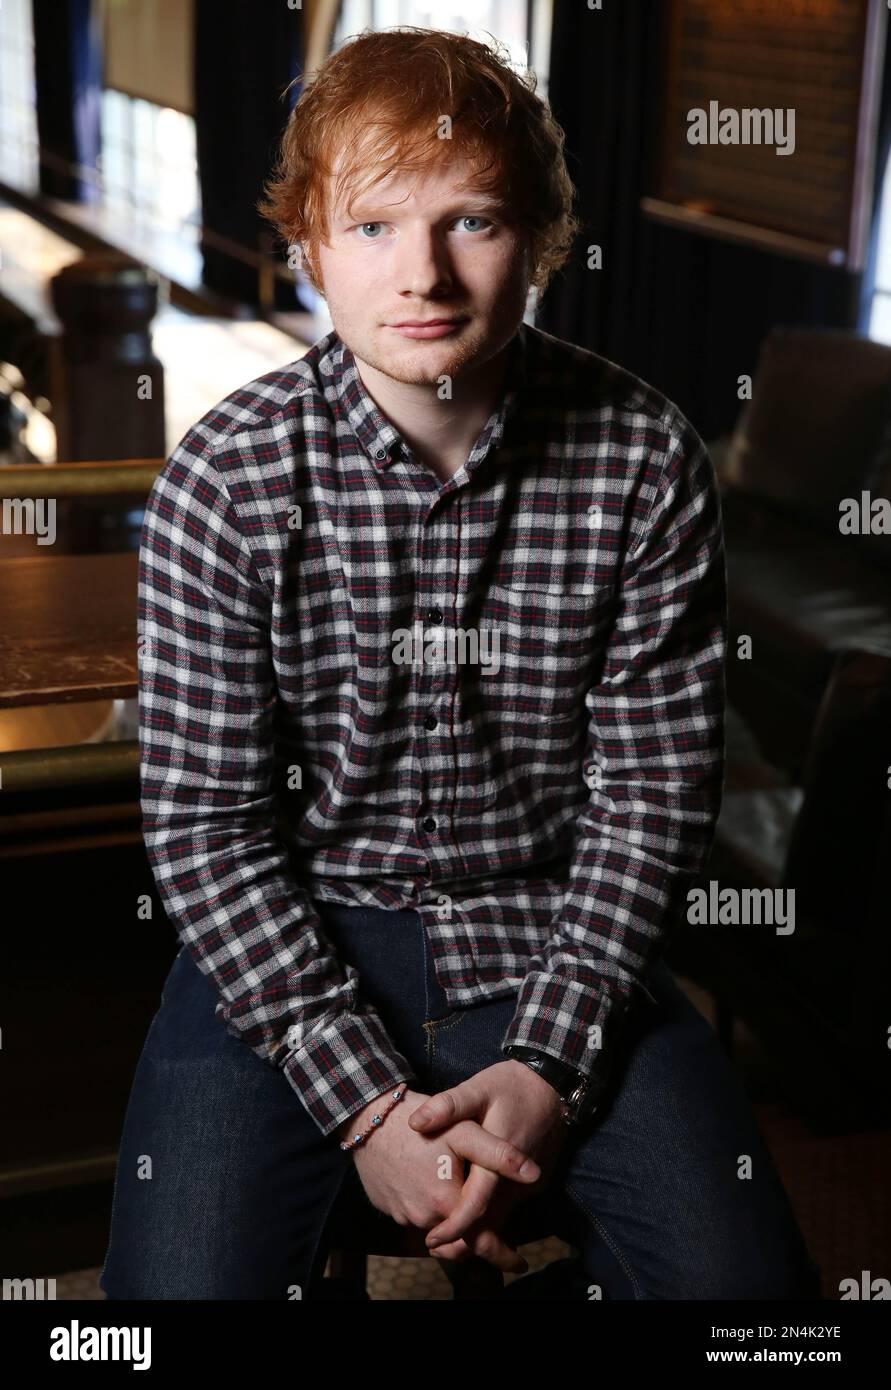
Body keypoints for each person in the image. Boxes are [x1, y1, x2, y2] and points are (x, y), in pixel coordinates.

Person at [99, 26, 820, 1300]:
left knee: (755, 1304)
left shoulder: (647, 461)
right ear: (308, 243)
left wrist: (549, 1066)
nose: (422, 273)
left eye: (472, 221)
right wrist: (369, 1108)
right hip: (292, 940)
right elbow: (207, 830)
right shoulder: (224, 476)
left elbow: (651, 805)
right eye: (373, 226)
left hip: (559, 934)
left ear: (537, 235)